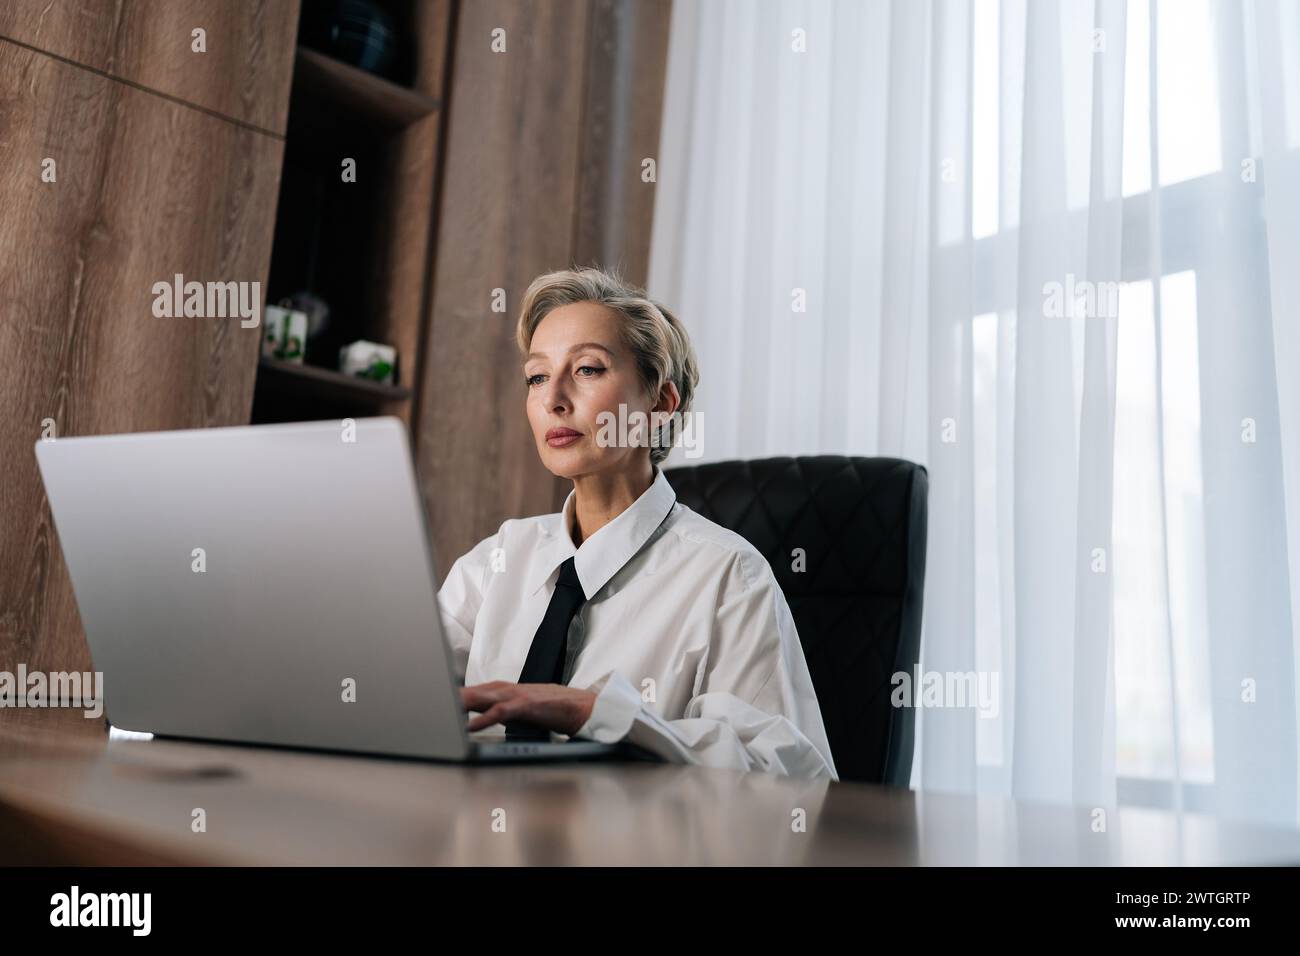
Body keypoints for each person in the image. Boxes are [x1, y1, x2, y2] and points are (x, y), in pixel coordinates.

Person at [437, 266, 838, 780]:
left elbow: (790, 781)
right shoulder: (495, 561)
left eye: (587, 369)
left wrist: (596, 714)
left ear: (660, 404)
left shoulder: (729, 576)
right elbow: (406, 699)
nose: (553, 398)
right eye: (537, 376)